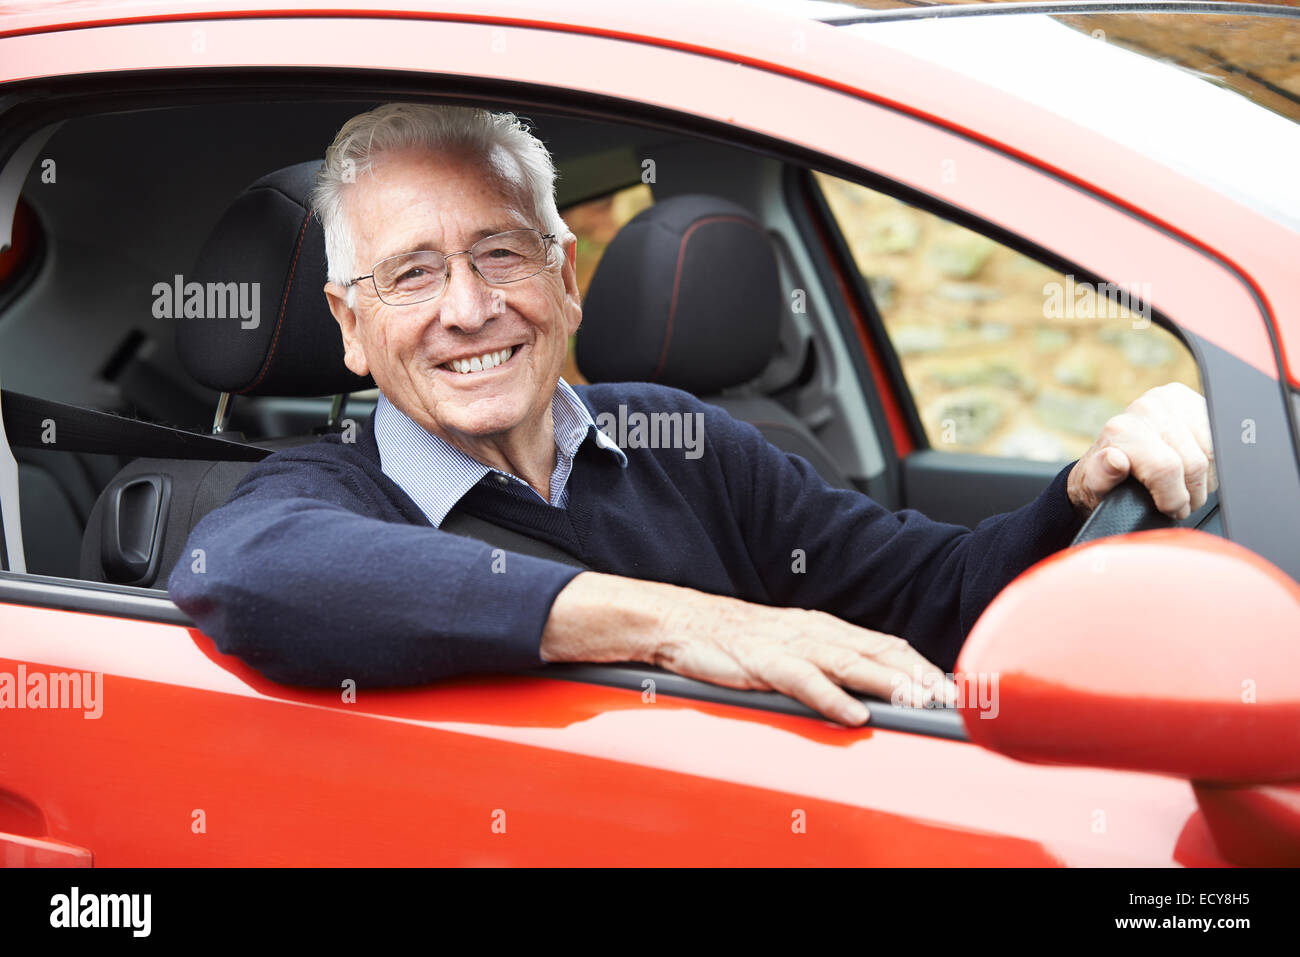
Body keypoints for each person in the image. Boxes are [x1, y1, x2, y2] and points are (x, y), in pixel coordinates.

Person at [167, 103, 1215, 727]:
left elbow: (938, 595)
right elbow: (250, 575)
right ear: (351, 327)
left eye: (500, 253)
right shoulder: (316, 493)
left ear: (564, 278)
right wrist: (682, 624)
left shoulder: (682, 439)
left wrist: (1081, 490)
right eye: (411, 275)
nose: (469, 308)